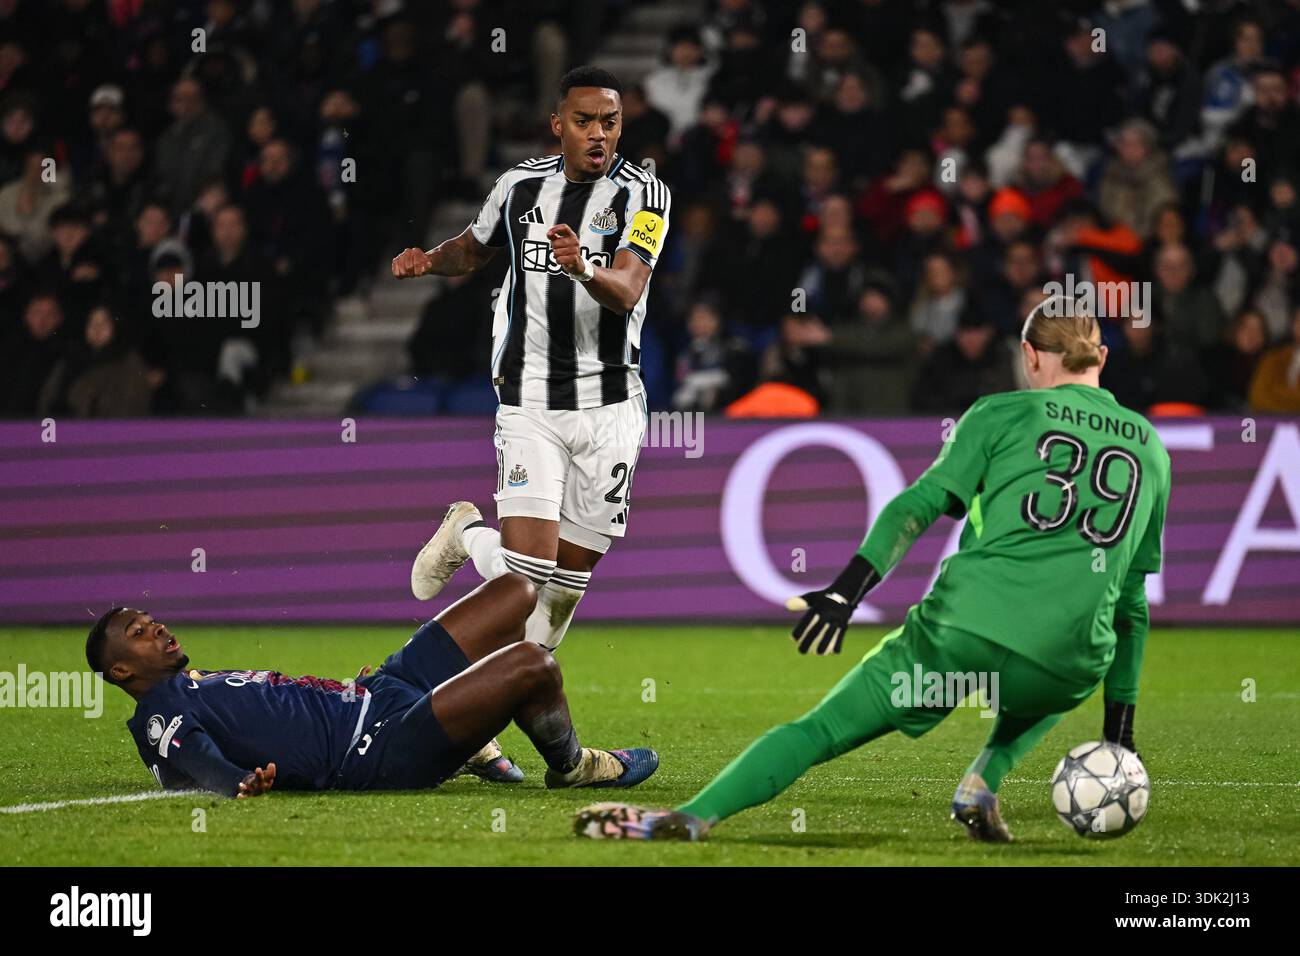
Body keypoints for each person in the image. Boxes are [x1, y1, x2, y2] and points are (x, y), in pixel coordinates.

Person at [574, 301, 1169, 843]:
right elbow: (1132, 605)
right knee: (1053, 670)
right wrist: (1120, 734)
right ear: (1103, 358)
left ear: (1030, 356)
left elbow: (918, 507)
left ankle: (688, 817)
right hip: (1065, 667)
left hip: (959, 642)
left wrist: (846, 590)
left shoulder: (1001, 414)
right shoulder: (1150, 448)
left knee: (821, 729)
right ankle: (982, 784)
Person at [392, 67, 671, 664]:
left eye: (611, 122)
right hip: (531, 400)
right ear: (557, 126)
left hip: (613, 405)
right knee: (525, 578)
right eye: (584, 121)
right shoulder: (519, 187)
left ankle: (470, 539)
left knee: (564, 591)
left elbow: (626, 289)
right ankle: (469, 699)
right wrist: (429, 261)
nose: (599, 134)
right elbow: (473, 246)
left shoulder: (646, 196)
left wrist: (583, 268)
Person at [88, 562, 658, 798]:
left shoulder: (195, 683)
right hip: (378, 747)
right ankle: (573, 766)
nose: (156, 627)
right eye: (139, 632)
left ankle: (468, 736)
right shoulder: (161, 712)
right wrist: (238, 783)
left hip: (378, 690)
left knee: (518, 591)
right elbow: (191, 759)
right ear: (121, 670)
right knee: (534, 664)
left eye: (150, 620)